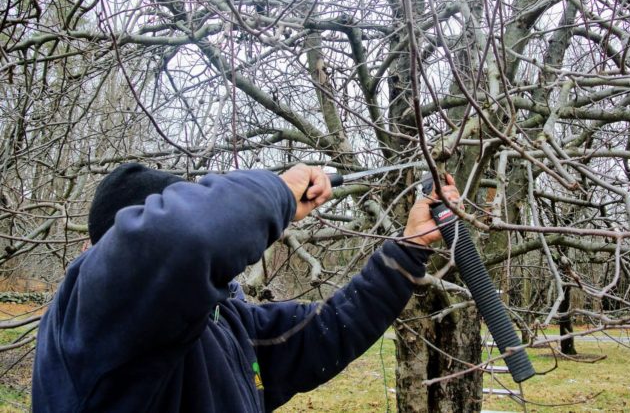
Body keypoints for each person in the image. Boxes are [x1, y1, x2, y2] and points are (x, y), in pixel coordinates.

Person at [32, 162, 460, 412]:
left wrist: (408, 247)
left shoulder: (222, 322)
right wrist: (277, 191)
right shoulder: (93, 319)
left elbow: (325, 331)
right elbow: (187, 235)